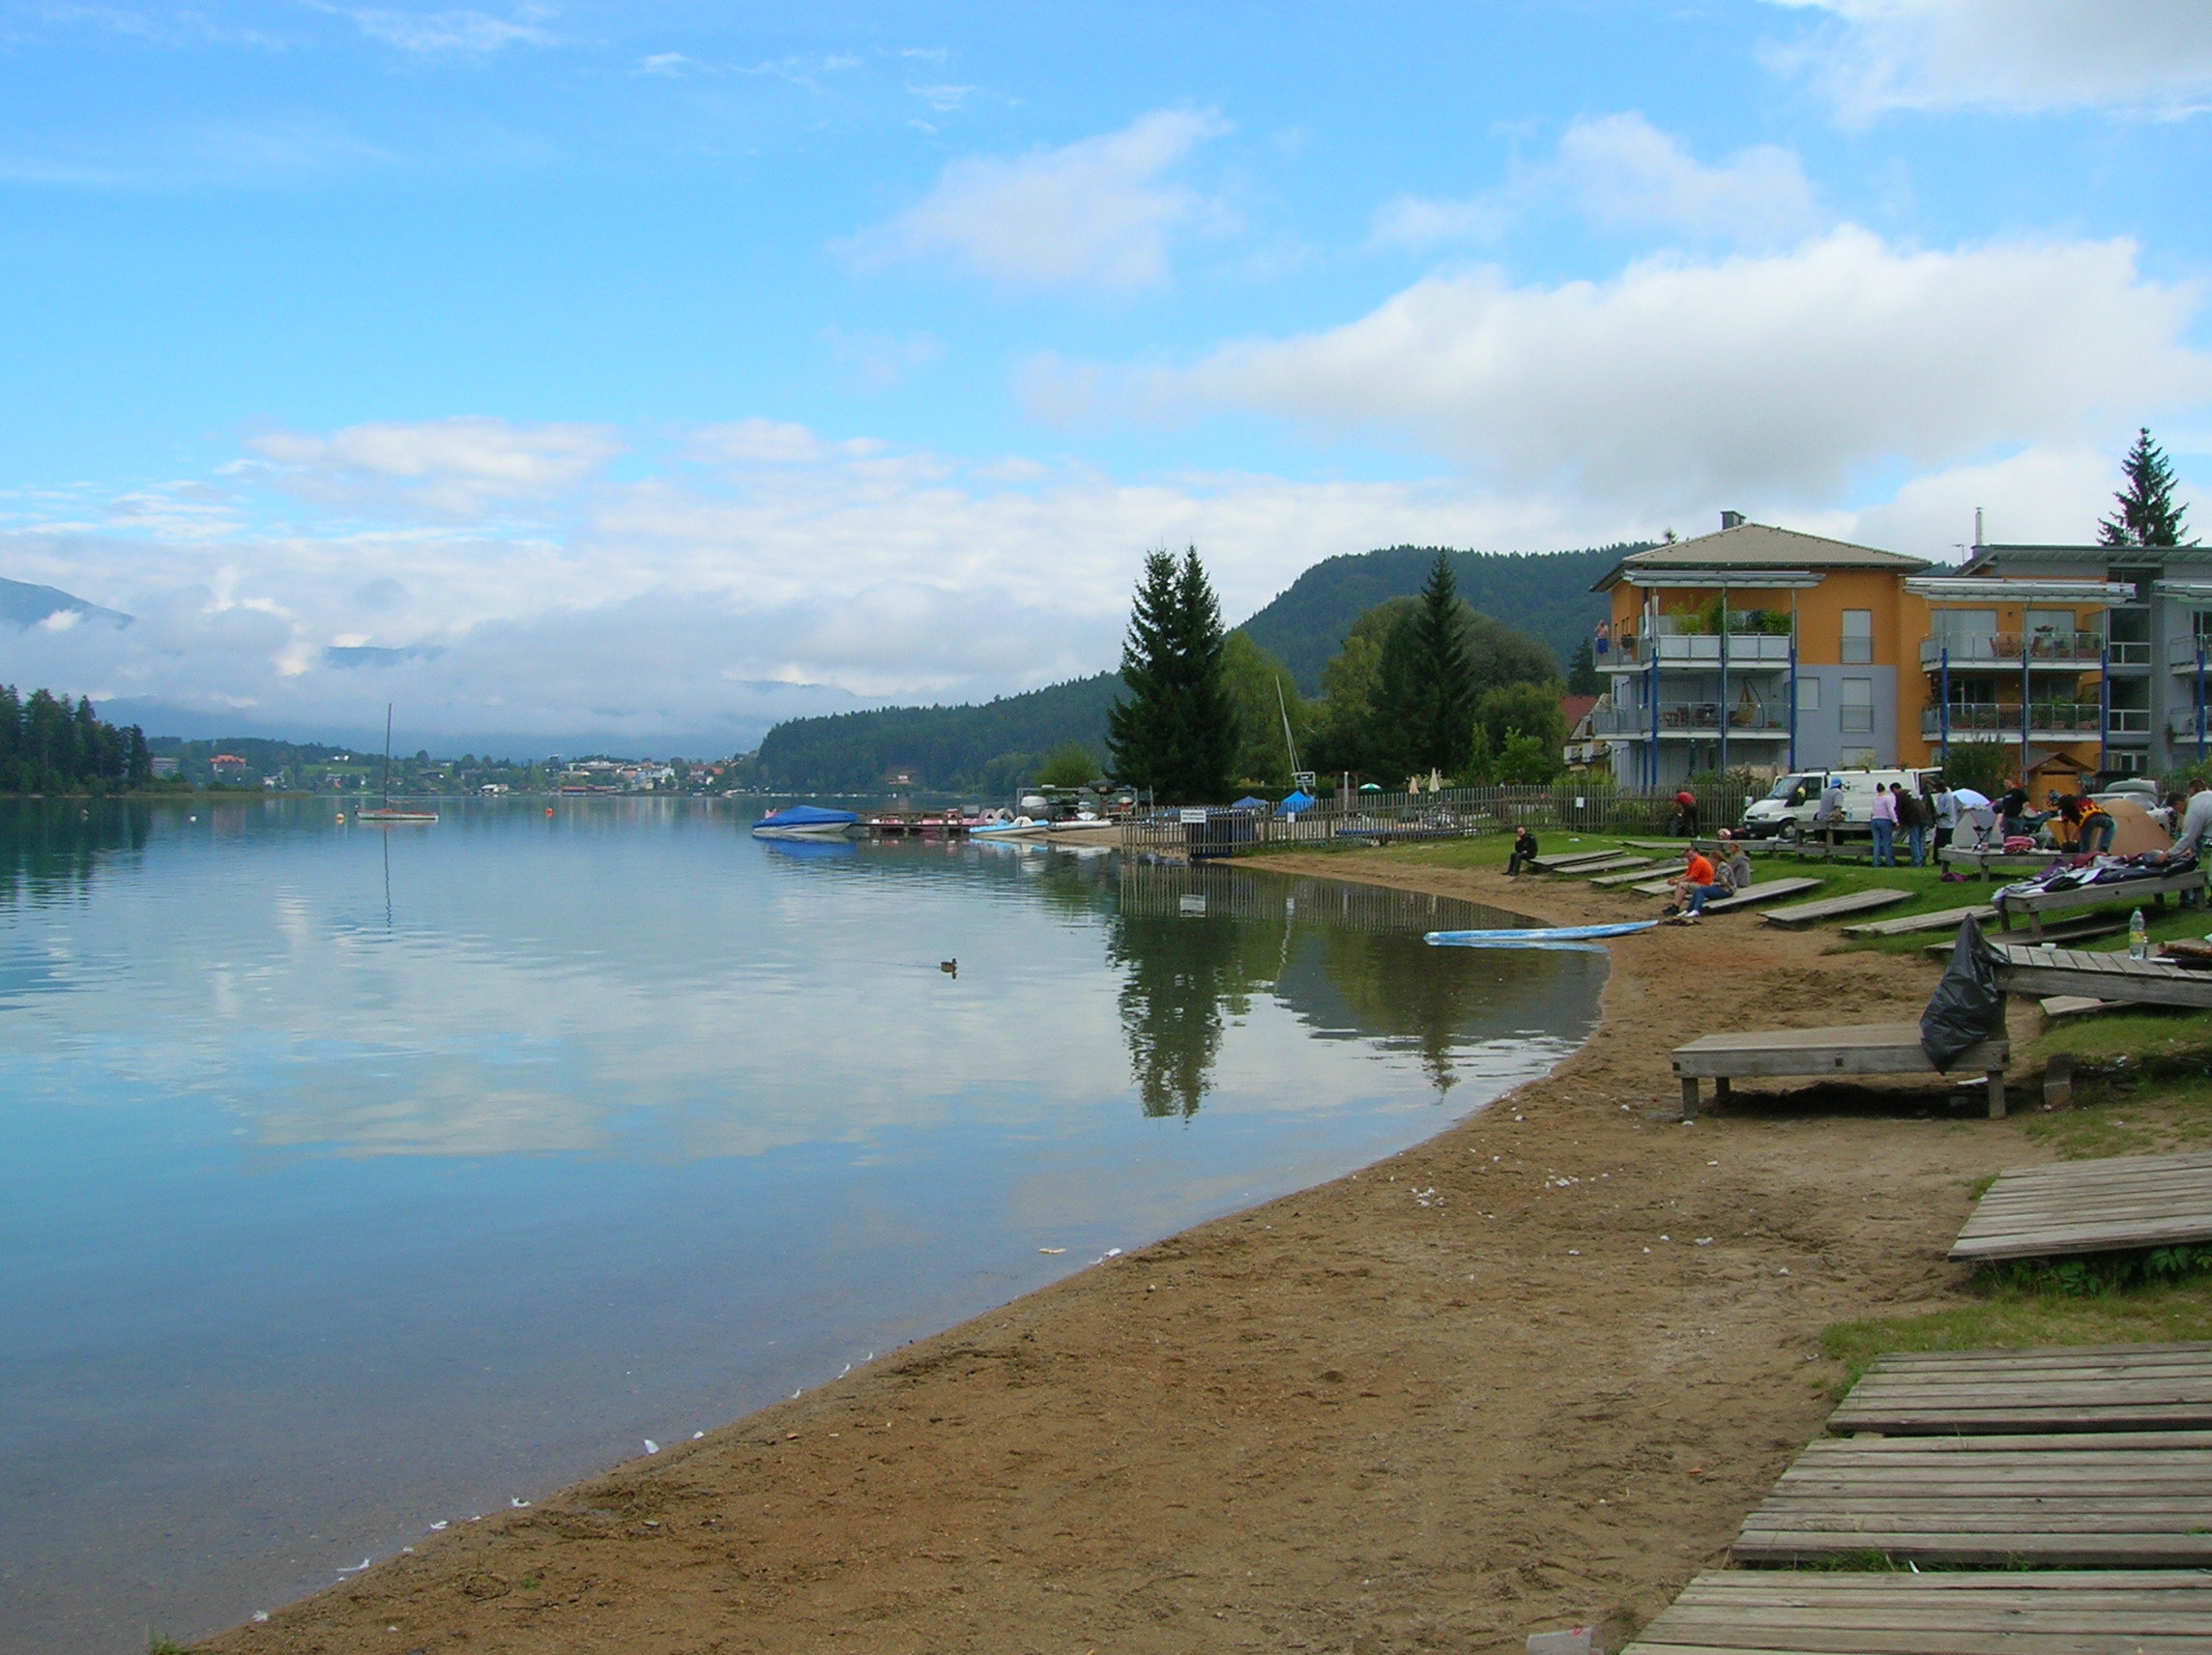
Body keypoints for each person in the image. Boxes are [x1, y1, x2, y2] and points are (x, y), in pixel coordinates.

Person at [1666, 845, 1721, 918]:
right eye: (1688, 857)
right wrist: (1676, 878)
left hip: (1705, 884)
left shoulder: (1699, 862)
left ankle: (1676, 907)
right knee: (1681, 884)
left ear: (1696, 853)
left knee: (1682, 885)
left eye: (1691, 856)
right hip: (1698, 883)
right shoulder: (1692, 861)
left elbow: (1692, 877)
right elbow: (1687, 874)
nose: (1689, 858)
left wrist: (1677, 881)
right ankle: (1675, 906)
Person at [1895, 782, 1931, 868]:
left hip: (1914, 818)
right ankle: (1921, 859)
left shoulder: (1900, 795)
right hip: (1924, 816)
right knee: (1921, 839)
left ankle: (1916, 861)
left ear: (1895, 789)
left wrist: (1900, 821)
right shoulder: (1911, 793)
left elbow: (1899, 809)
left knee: (1914, 840)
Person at [1869, 777, 1898, 866]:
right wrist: (1895, 821)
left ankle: (1876, 862)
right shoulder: (1887, 798)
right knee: (1887, 842)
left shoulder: (1875, 798)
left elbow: (1873, 811)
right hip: (1885, 820)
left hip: (1875, 820)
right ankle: (1889, 862)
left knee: (1876, 842)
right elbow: (1890, 810)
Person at [1718, 830, 1753, 894]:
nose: (1729, 849)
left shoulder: (1738, 857)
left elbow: (1729, 868)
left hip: (1741, 882)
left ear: (1736, 848)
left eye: (1731, 848)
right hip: (1745, 881)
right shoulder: (1741, 856)